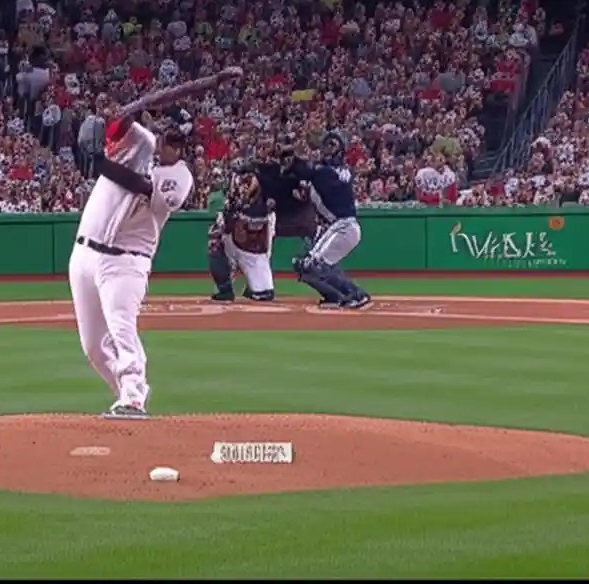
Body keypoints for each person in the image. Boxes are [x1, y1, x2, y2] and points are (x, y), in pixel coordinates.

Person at [68, 67, 241, 420]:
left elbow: (144, 188)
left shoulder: (181, 178)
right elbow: (116, 127)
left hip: (125, 262)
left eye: (177, 141)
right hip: (83, 254)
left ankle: (134, 396)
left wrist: (101, 163)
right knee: (92, 347)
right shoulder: (142, 141)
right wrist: (132, 110)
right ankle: (125, 397)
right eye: (167, 136)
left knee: (121, 328)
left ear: (185, 147)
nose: (168, 143)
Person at [284, 131, 372, 309]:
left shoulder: (327, 171)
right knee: (306, 266)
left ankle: (356, 294)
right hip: (337, 226)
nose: (327, 150)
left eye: (332, 146)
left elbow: (304, 171)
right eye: (327, 145)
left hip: (344, 226)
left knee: (315, 265)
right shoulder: (332, 171)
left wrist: (290, 156)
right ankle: (333, 296)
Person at [207, 165, 276, 302]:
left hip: (255, 249)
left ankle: (256, 285)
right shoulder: (233, 199)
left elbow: (258, 216)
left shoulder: (265, 201)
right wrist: (222, 225)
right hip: (236, 243)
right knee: (215, 245)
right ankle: (225, 289)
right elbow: (223, 224)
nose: (243, 186)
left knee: (263, 291)